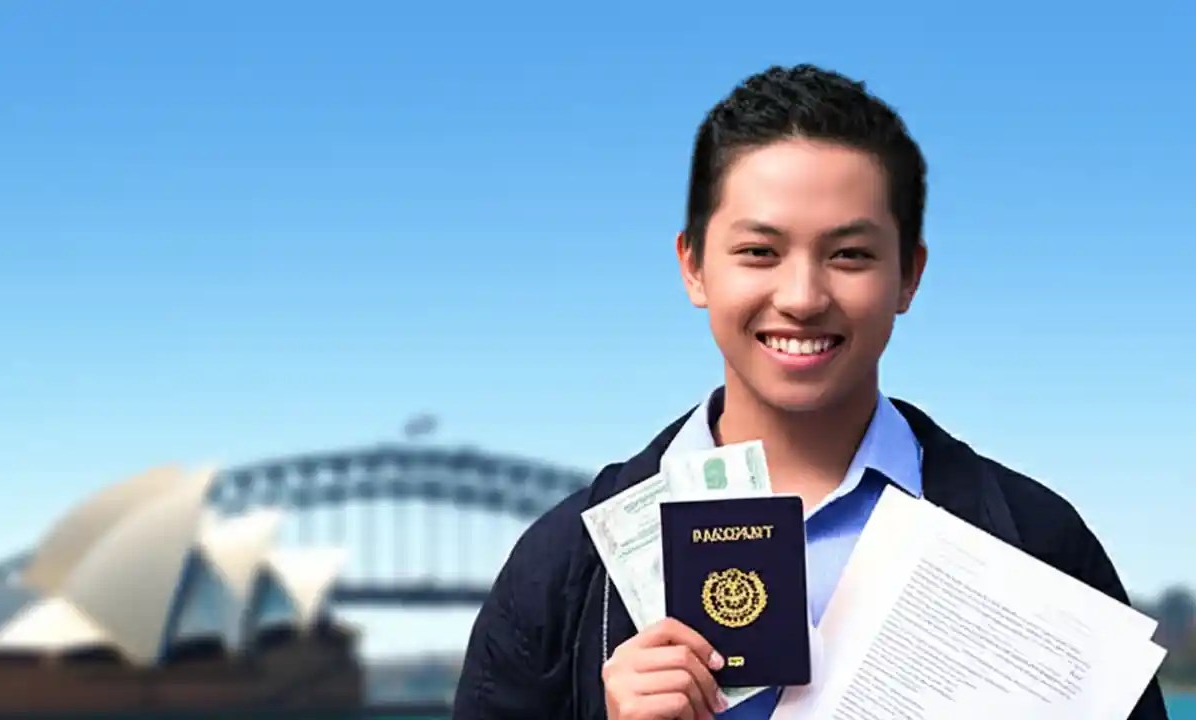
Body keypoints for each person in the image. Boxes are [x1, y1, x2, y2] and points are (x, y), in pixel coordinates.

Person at [451, 64, 1169, 720]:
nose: (801, 297)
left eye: (849, 255)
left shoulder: (1040, 544)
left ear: (909, 276)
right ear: (694, 267)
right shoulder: (566, 567)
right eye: (759, 252)